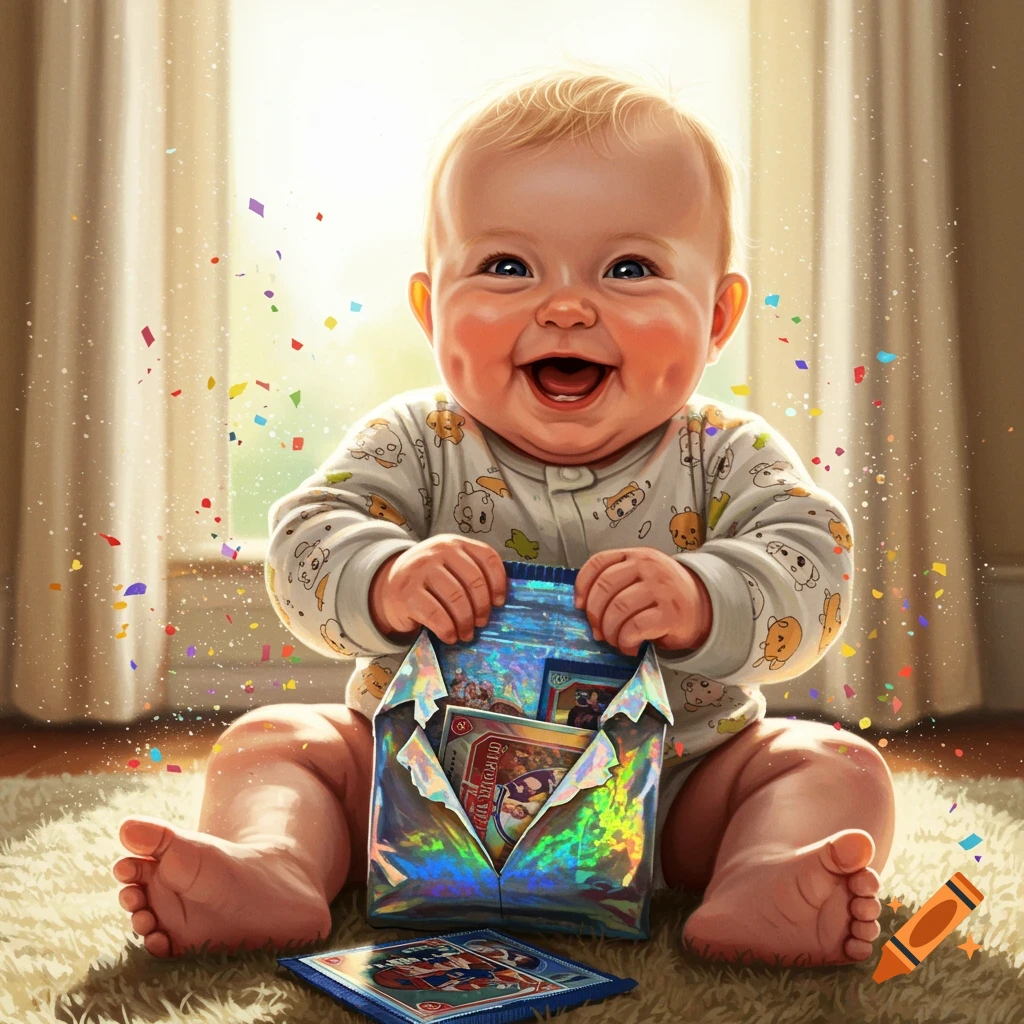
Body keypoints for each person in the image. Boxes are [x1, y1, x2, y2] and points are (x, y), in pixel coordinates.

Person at [113, 61, 893, 966]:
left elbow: (814, 566)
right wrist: (388, 576)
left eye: (629, 268)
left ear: (716, 316)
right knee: (275, 743)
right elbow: (303, 545)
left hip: (675, 796)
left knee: (827, 767)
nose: (565, 305)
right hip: (407, 788)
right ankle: (275, 862)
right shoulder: (416, 439)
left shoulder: (723, 453)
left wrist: (704, 598)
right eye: (507, 266)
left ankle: (764, 878)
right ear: (431, 306)